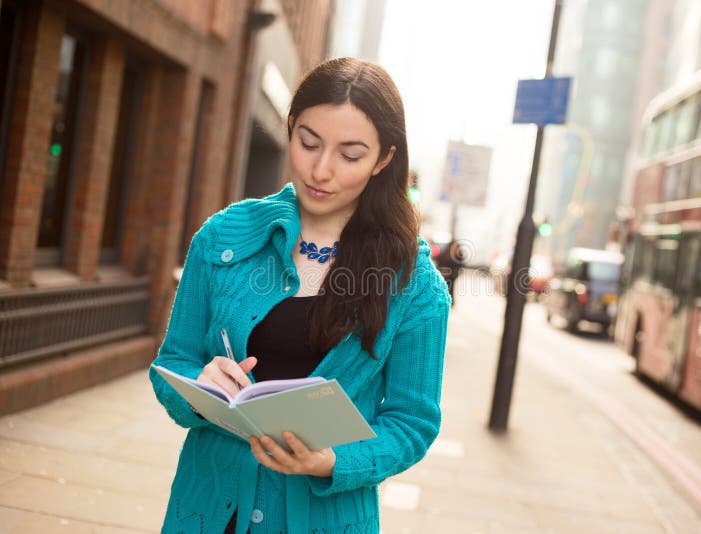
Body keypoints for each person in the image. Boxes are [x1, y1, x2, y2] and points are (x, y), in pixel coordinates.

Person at [149, 57, 450, 534]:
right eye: (308, 143)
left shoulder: (415, 283)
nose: (321, 170)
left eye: (350, 156)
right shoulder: (223, 236)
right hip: (210, 509)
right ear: (290, 128)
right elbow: (173, 362)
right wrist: (200, 385)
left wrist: (334, 461)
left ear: (384, 159)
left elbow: (412, 423)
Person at [436, 240, 465, 305]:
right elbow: (440, 261)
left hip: (452, 275)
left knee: (451, 288)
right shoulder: (446, 252)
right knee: (445, 287)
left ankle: (450, 301)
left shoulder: (459, 254)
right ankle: (445, 300)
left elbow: (460, 265)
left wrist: (456, 272)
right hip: (445, 274)